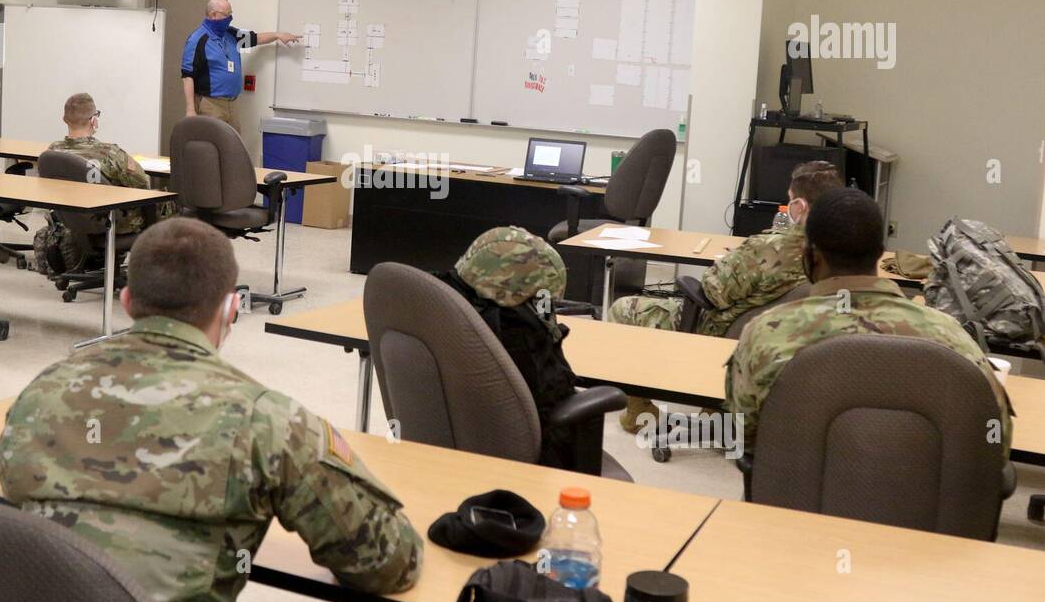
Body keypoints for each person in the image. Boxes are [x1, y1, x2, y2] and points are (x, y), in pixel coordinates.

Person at [0, 217, 423, 602]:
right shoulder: (266, 420)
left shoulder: (43, 391)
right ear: (231, 308)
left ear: (126, 301)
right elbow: (386, 565)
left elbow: (18, 491)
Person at [725, 187, 1013, 456]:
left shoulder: (765, 334)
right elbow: (995, 441)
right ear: (879, 253)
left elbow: (744, 433)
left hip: (792, 501)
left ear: (810, 256)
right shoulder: (949, 337)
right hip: (920, 505)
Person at [610, 160, 844, 431]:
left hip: (725, 335)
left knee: (624, 308)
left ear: (800, 207)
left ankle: (638, 414)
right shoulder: (841, 250)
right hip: (780, 345)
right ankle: (715, 411)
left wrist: (731, 261)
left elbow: (712, 292)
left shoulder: (771, 247)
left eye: (790, 201)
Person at [434, 226, 582, 469]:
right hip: (530, 471)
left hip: (441, 460)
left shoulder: (441, 309)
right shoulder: (521, 339)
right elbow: (555, 403)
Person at [34, 92, 152, 275]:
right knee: (165, 205)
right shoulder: (109, 153)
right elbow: (143, 184)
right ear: (93, 120)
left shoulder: (52, 153)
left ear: (64, 120)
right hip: (110, 222)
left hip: (72, 221)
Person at [181, 0, 300, 130]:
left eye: (231, 14)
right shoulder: (197, 39)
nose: (230, 18)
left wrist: (278, 35)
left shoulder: (230, 33)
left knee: (233, 145)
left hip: (231, 103)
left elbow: (255, 38)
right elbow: (187, 76)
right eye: (227, 14)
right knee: (212, 145)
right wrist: (190, 110)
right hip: (210, 104)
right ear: (213, 15)